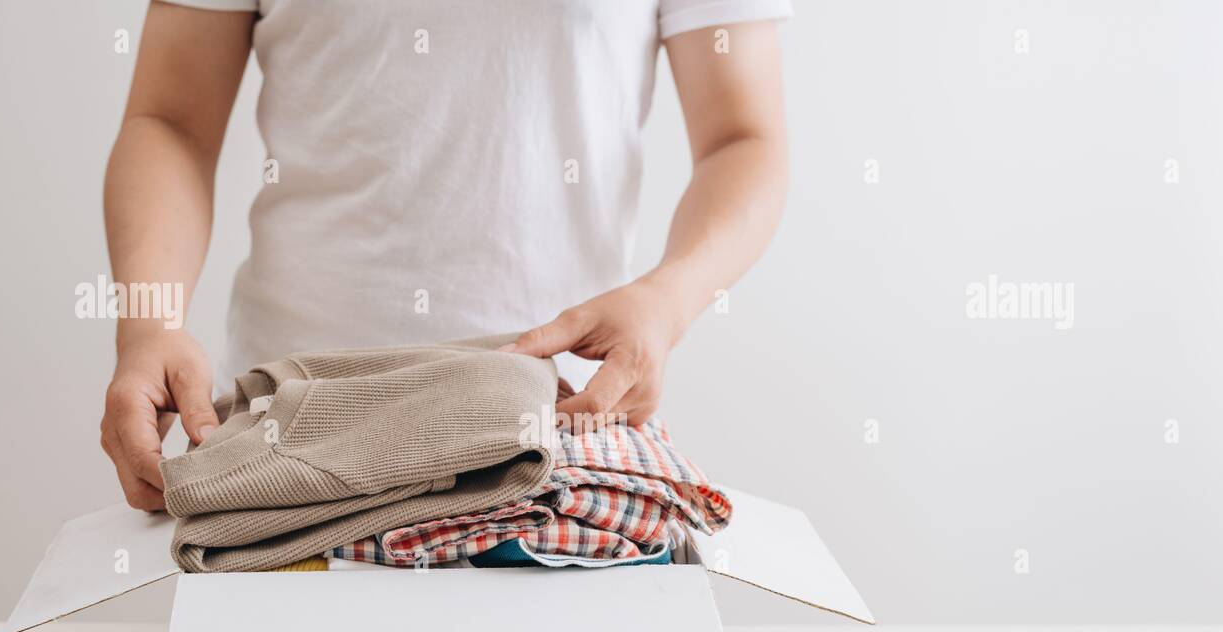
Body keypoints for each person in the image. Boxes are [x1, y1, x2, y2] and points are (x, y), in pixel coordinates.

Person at [101, 0, 790, 511]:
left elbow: (742, 137)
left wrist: (667, 300)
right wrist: (150, 325)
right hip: (293, 430)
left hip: (566, 430)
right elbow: (172, 119)